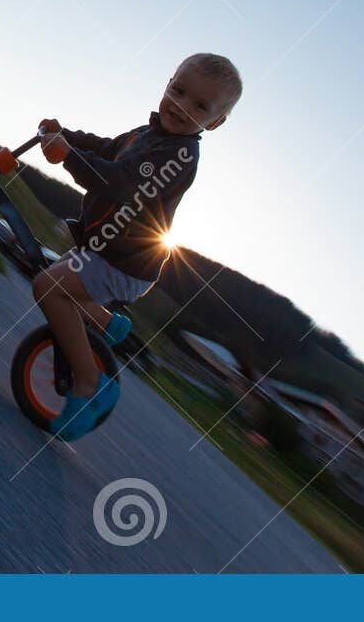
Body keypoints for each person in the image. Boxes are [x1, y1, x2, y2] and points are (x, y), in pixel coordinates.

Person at [35, 52, 241, 439]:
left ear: (215, 122)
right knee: (57, 282)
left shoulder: (179, 155)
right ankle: (107, 323)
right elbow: (106, 148)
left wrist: (69, 157)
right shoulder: (148, 134)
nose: (181, 105)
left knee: (49, 287)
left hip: (125, 262)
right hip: (106, 249)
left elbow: (119, 184)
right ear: (168, 83)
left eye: (200, 105)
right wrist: (67, 136)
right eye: (178, 90)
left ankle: (89, 383)